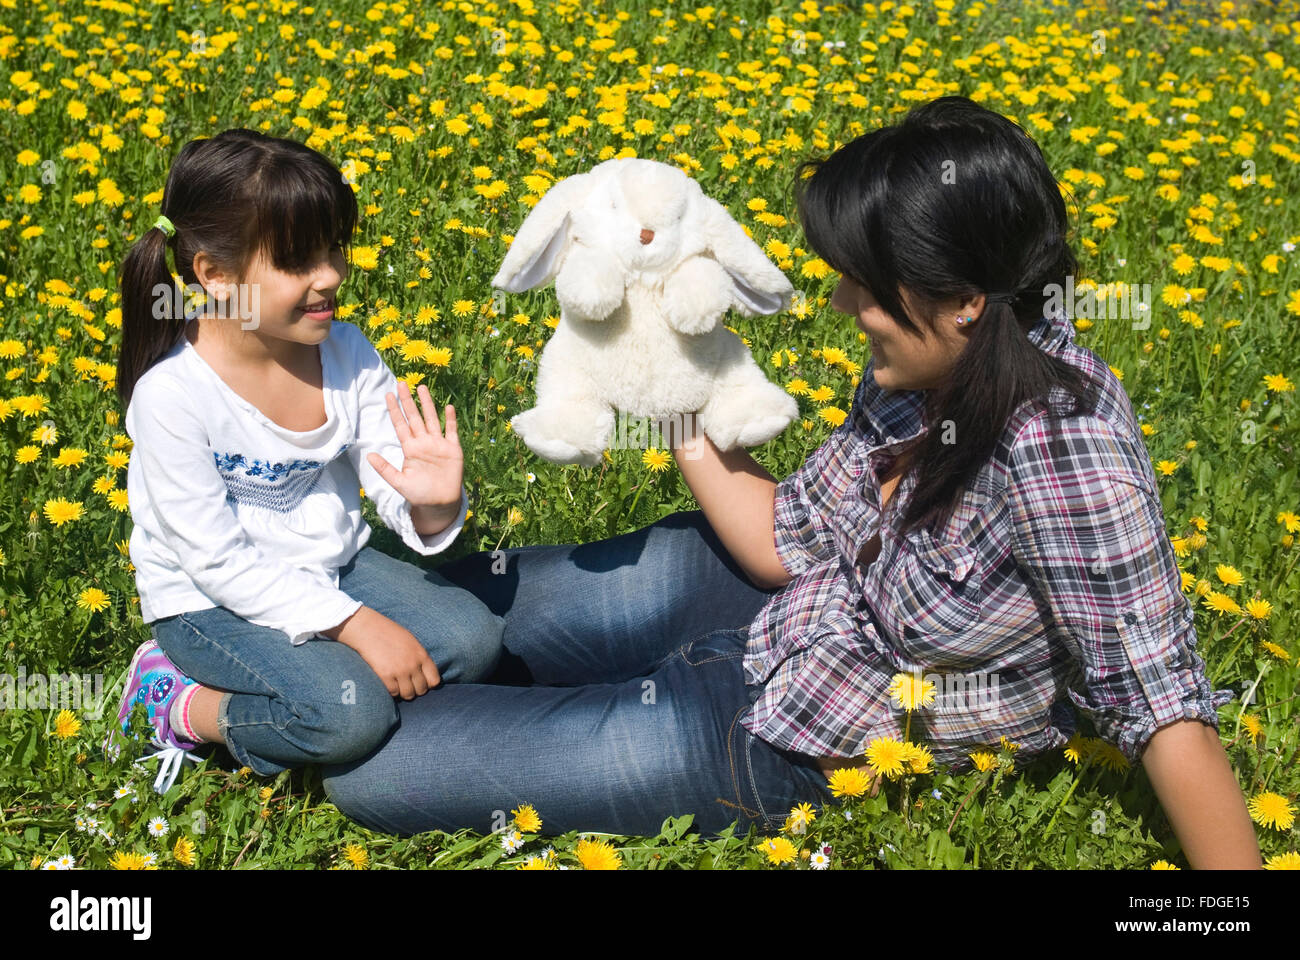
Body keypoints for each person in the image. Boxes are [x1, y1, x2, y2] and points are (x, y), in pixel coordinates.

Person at [321, 97, 1261, 868]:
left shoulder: (1066, 448)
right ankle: (268, 609)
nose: (845, 306)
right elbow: (785, 542)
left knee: (378, 769)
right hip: (776, 598)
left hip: (817, 733)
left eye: (865, 285)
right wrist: (673, 375)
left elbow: (1160, 698)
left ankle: (245, 689)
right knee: (456, 608)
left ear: (967, 301)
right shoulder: (923, 367)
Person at [104, 129, 505, 794]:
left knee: (473, 641)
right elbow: (218, 561)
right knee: (347, 718)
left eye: (334, 251)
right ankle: (176, 701)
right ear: (215, 276)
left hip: (330, 566)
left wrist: (430, 504)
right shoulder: (171, 396)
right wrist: (353, 623)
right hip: (206, 602)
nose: (331, 277)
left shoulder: (347, 355)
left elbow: (389, 481)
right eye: (298, 262)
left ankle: (318, 662)